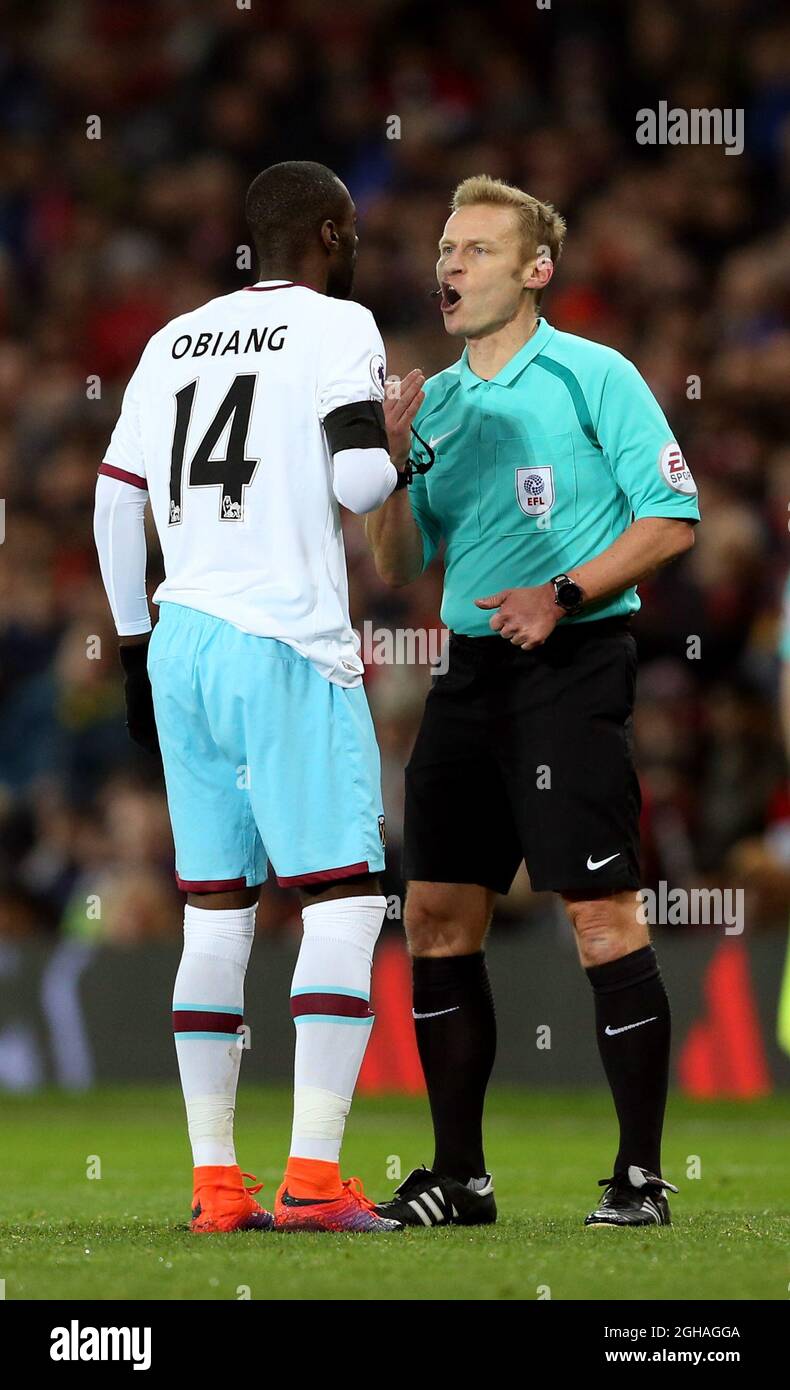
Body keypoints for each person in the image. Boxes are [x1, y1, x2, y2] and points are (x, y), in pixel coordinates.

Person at [93, 160, 425, 1234]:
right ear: (329, 232)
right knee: (340, 900)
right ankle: (315, 1180)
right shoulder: (340, 327)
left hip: (181, 635)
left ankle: (215, 1186)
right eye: (356, 230)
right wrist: (395, 437)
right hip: (283, 634)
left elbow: (114, 506)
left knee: (216, 913)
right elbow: (355, 487)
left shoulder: (171, 339)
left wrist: (136, 645)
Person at [367, 175, 699, 1228]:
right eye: (444, 248)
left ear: (534, 270)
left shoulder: (594, 375)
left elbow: (672, 515)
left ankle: (638, 1175)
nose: (447, 266)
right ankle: (459, 1176)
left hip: (573, 660)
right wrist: (385, 466)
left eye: (472, 249)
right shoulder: (439, 405)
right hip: (471, 675)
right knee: (433, 914)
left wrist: (561, 593)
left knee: (599, 914)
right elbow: (398, 561)